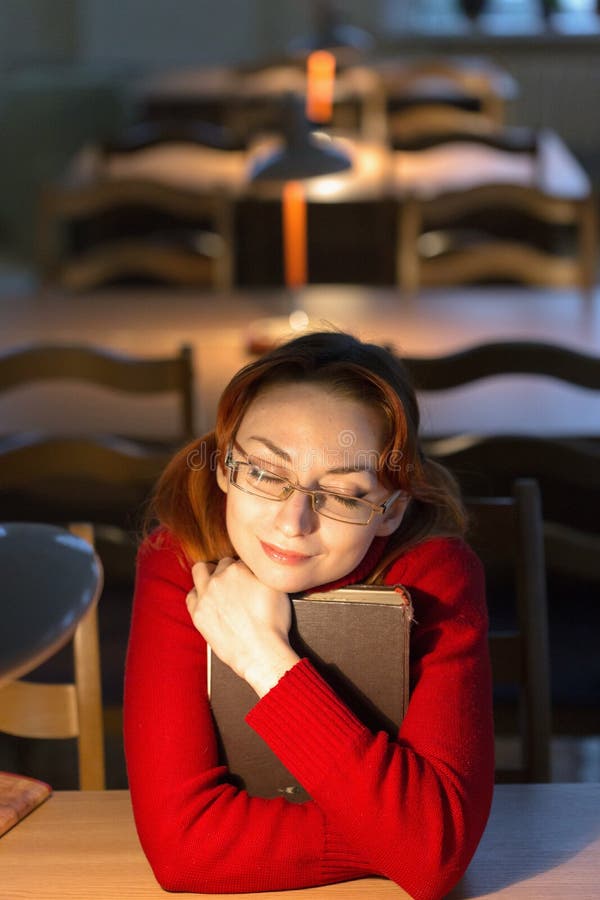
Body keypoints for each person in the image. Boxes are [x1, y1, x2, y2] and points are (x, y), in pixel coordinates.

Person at [124, 331, 494, 900]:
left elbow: (433, 854)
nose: (293, 522)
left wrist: (264, 658)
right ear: (224, 467)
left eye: (345, 496)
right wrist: (394, 838)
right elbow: (182, 851)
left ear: (391, 512)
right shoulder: (179, 560)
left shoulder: (437, 577)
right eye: (267, 475)